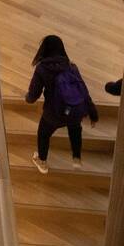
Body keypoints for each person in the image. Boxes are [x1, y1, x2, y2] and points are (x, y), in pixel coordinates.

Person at [26, 35, 98, 173]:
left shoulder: (42, 69)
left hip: (53, 113)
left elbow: (34, 95)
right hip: (73, 111)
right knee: (75, 128)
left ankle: (42, 163)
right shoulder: (72, 67)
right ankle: (76, 157)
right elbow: (83, 90)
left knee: (43, 134)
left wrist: (27, 99)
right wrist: (92, 113)